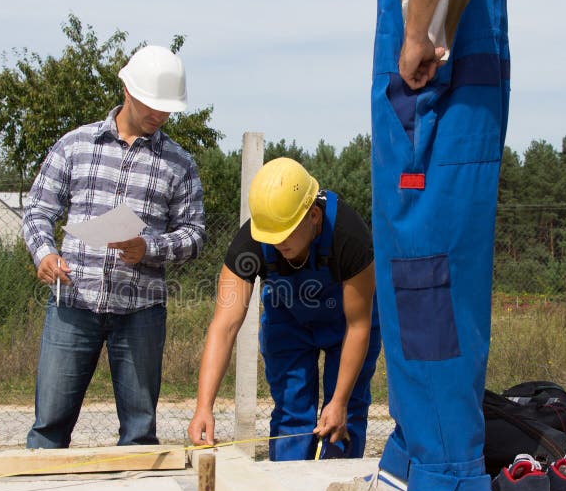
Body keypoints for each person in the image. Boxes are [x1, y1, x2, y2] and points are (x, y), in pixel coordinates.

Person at [328, 0, 510, 491]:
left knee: (432, 277)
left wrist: (414, 30)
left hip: (439, 72)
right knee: (407, 277)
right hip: (422, 80)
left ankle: (455, 485)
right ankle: (413, 460)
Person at [22, 45, 206, 448]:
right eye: (151, 106)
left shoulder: (180, 164)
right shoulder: (74, 146)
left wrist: (149, 248)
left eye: (166, 109)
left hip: (140, 312)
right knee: (49, 426)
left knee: (140, 432)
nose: (159, 116)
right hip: (73, 304)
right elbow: (37, 210)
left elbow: (194, 235)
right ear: (127, 90)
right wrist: (45, 254)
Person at [188, 157, 381, 461]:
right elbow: (224, 326)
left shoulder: (350, 236)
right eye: (269, 237)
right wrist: (204, 407)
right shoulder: (250, 241)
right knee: (292, 413)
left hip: (346, 324)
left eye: (285, 235)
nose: (276, 244)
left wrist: (339, 400)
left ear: (314, 216)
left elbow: (359, 325)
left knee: (344, 413)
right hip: (287, 323)